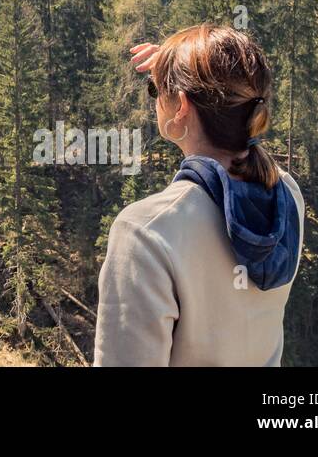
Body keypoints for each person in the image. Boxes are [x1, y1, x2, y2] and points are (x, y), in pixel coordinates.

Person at [93, 23, 304, 367]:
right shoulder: (286, 197)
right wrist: (185, 70)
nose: (153, 99)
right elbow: (231, 95)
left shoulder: (145, 232)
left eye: (154, 91)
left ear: (181, 106)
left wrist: (183, 71)